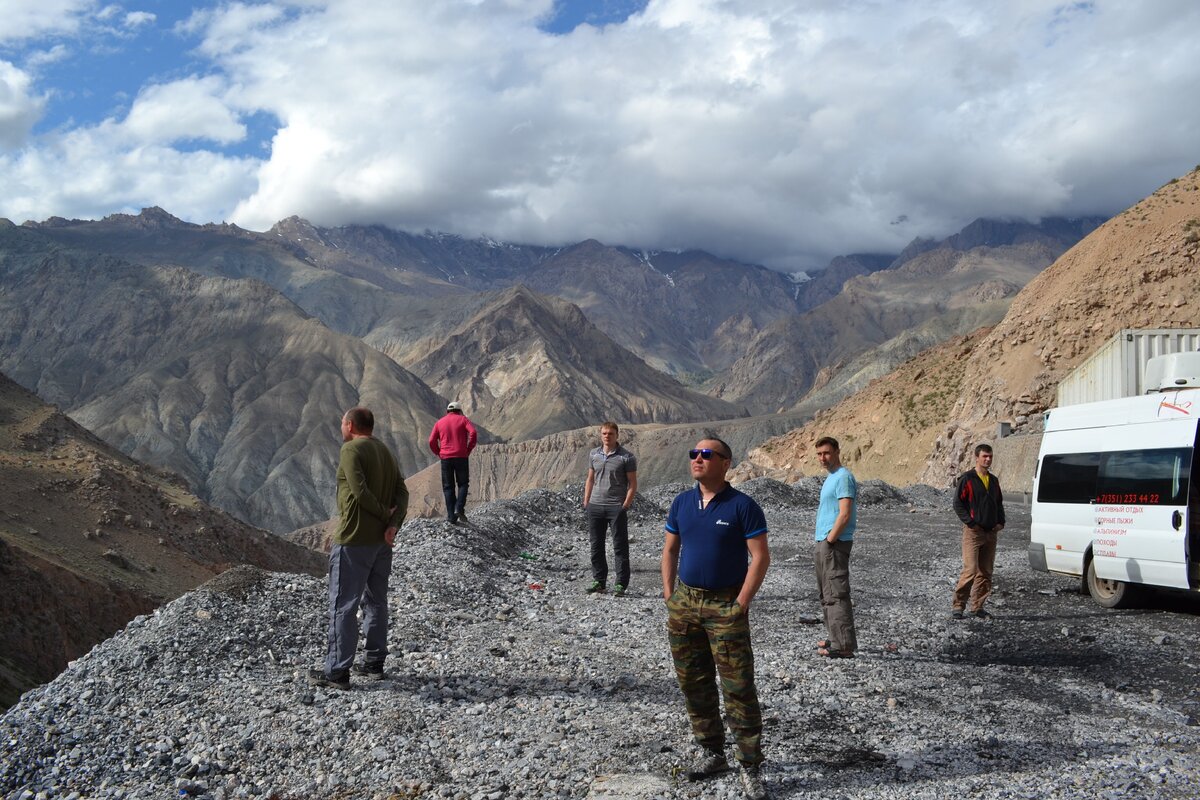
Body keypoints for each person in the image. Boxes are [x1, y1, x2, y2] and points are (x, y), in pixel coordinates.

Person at [661, 437, 770, 800]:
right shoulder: (681, 503)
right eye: (693, 453)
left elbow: (760, 558)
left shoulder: (743, 506)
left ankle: (750, 765)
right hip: (685, 603)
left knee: (738, 687)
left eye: (706, 454)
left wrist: (741, 602)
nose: (697, 459)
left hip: (725, 606)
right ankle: (712, 753)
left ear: (725, 463)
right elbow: (670, 549)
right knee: (694, 683)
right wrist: (669, 594)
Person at [310, 407, 408, 690]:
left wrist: (381, 515)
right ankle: (374, 663)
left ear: (350, 425)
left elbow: (358, 490)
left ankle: (337, 672)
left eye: (342, 422)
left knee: (343, 605)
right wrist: (393, 523)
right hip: (381, 542)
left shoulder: (351, 450)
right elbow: (402, 491)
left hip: (354, 539)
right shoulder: (385, 451)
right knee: (376, 601)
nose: (341, 426)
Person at [813, 436, 858, 658]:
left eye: (827, 453)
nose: (823, 458)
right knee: (826, 593)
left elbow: (845, 513)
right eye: (819, 454)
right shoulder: (831, 478)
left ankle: (843, 646)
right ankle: (835, 638)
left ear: (837, 451)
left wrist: (830, 540)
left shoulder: (843, 478)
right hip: (825, 541)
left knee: (836, 593)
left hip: (835, 543)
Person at [582, 421, 638, 596]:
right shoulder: (594, 455)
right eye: (604, 433)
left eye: (611, 433)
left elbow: (633, 483)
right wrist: (586, 501)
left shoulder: (626, 457)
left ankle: (621, 584)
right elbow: (590, 479)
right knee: (596, 545)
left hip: (616, 507)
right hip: (595, 505)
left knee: (620, 546)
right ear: (601, 435)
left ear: (617, 435)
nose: (607, 436)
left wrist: (625, 505)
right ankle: (599, 581)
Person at [951, 443, 1006, 619]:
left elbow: (999, 503)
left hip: (991, 532)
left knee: (986, 571)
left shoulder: (994, 480)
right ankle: (958, 605)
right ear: (977, 457)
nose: (988, 459)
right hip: (973, 533)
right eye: (985, 456)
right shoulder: (967, 479)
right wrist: (970, 523)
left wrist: (1001, 522)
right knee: (970, 569)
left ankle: (978, 606)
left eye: (990, 456)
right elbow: (957, 504)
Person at [428, 401, 477, 524]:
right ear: (459, 411)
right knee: (463, 484)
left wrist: (438, 452)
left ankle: (451, 517)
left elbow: (431, 440)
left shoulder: (439, 422)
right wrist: (468, 448)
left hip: (445, 458)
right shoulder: (463, 419)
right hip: (461, 456)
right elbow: (473, 433)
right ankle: (459, 508)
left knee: (448, 487)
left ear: (447, 412)